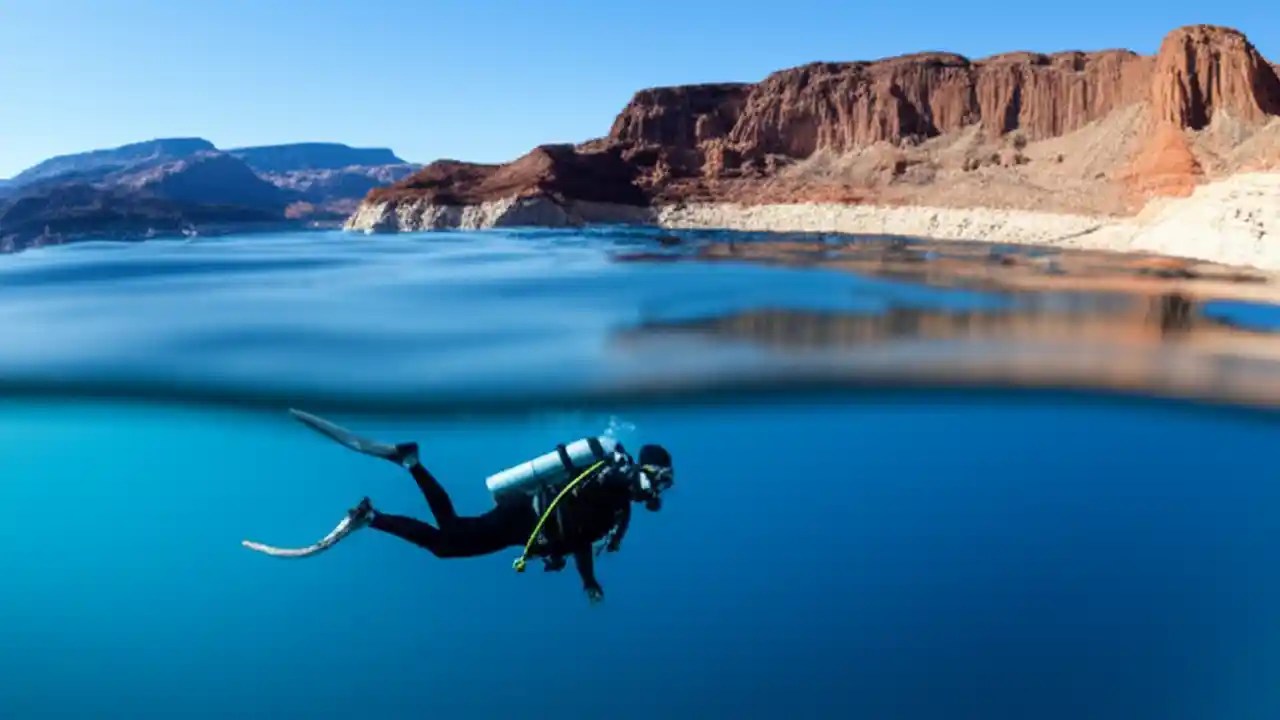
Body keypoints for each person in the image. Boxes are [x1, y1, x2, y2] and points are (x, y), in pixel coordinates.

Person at [343, 438, 674, 603]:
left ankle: (390, 492)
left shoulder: (617, 510)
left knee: (448, 539)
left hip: (527, 527)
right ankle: (392, 489)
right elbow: (615, 479)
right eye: (661, 479)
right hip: (524, 516)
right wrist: (638, 479)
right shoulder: (613, 477)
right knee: (448, 538)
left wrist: (588, 581)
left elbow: (582, 540)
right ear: (645, 470)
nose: (659, 490)